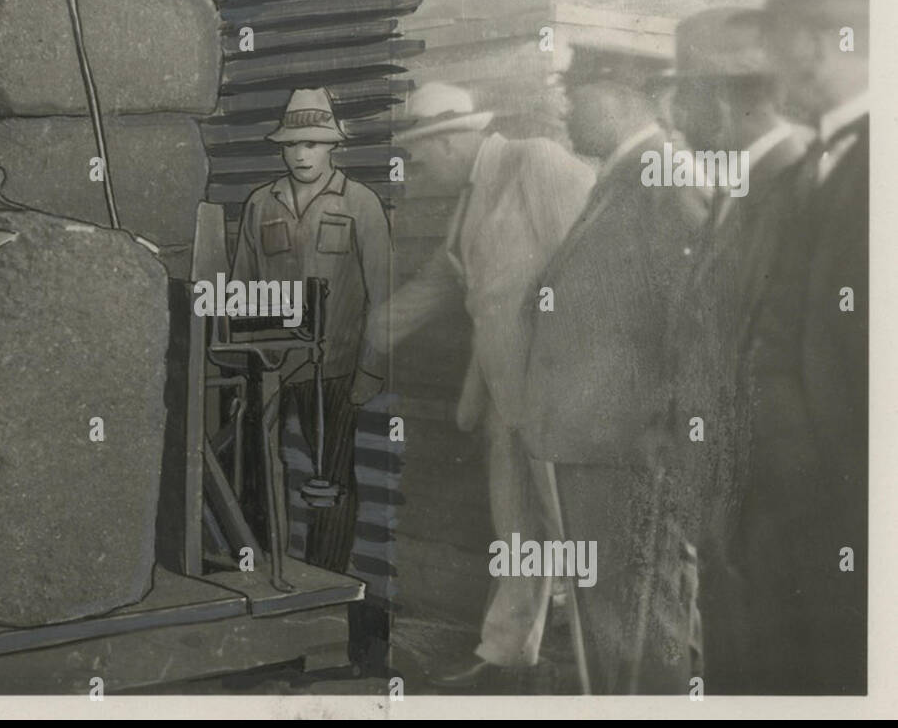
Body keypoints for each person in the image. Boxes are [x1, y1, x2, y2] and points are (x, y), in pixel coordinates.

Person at [362, 83, 595, 689]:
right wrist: (369, 332)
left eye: (420, 154)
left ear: (449, 141)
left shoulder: (536, 162)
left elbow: (597, 263)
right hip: (503, 396)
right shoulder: (469, 199)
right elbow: (447, 278)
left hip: (559, 395)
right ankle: (505, 656)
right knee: (517, 530)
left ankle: (607, 670)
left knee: (578, 530)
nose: (417, 168)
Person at [521, 44, 704, 694]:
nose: (566, 106)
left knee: (640, 621)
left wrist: (669, 432)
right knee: (612, 621)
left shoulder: (664, 179)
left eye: (580, 92)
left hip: (633, 450)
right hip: (601, 445)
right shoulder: (624, 178)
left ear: (628, 99)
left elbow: (699, 317)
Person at [659, 7, 812, 693]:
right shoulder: (739, 187)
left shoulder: (800, 188)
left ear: (720, 97)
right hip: (726, 497)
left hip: (766, 507)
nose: (674, 117)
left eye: (682, 95)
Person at [742, 0, 868, 694]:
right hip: (798, 538)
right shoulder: (817, 168)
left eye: (776, 41)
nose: (772, 65)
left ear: (817, 40)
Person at [230, 87, 391, 575]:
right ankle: (264, 571)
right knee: (260, 472)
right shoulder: (262, 203)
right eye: (293, 144)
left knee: (331, 482)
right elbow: (242, 284)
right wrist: (245, 363)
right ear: (281, 147)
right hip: (272, 368)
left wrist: (371, 369)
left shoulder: (360, 203)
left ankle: (328, 582)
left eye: (314, 144)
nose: (302, 154)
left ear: (332, 147)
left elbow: (385, 294)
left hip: (338, 369)